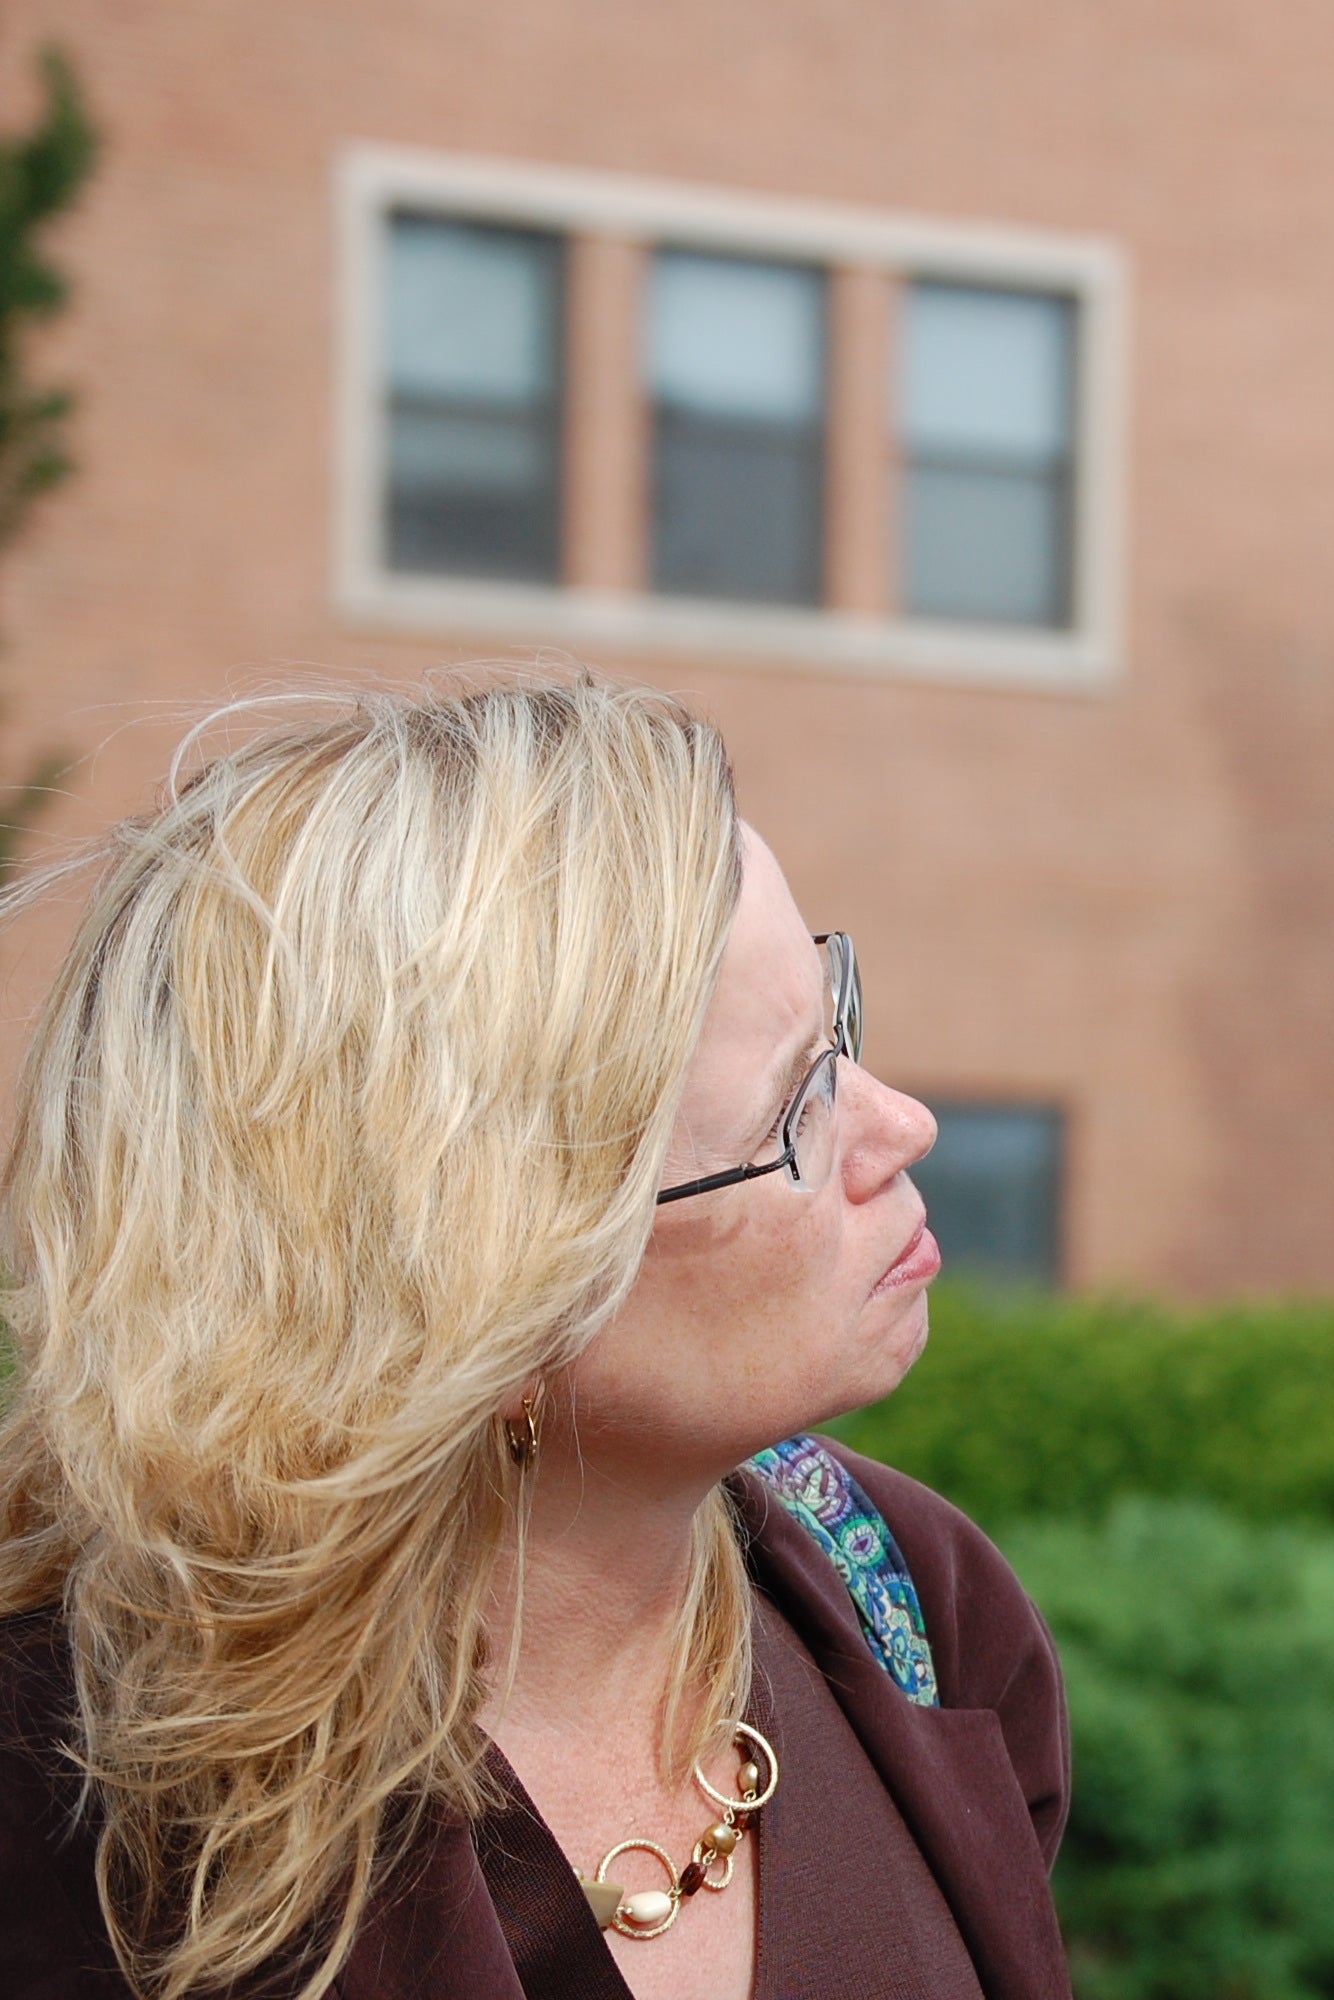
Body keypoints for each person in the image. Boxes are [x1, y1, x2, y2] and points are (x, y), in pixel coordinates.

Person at [0, 676, 1072, 2000]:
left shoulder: (909, 1605)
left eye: (834, 1020)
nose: (902, 1124)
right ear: (490, 1286)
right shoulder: (71, 1814)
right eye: (791, 1111)